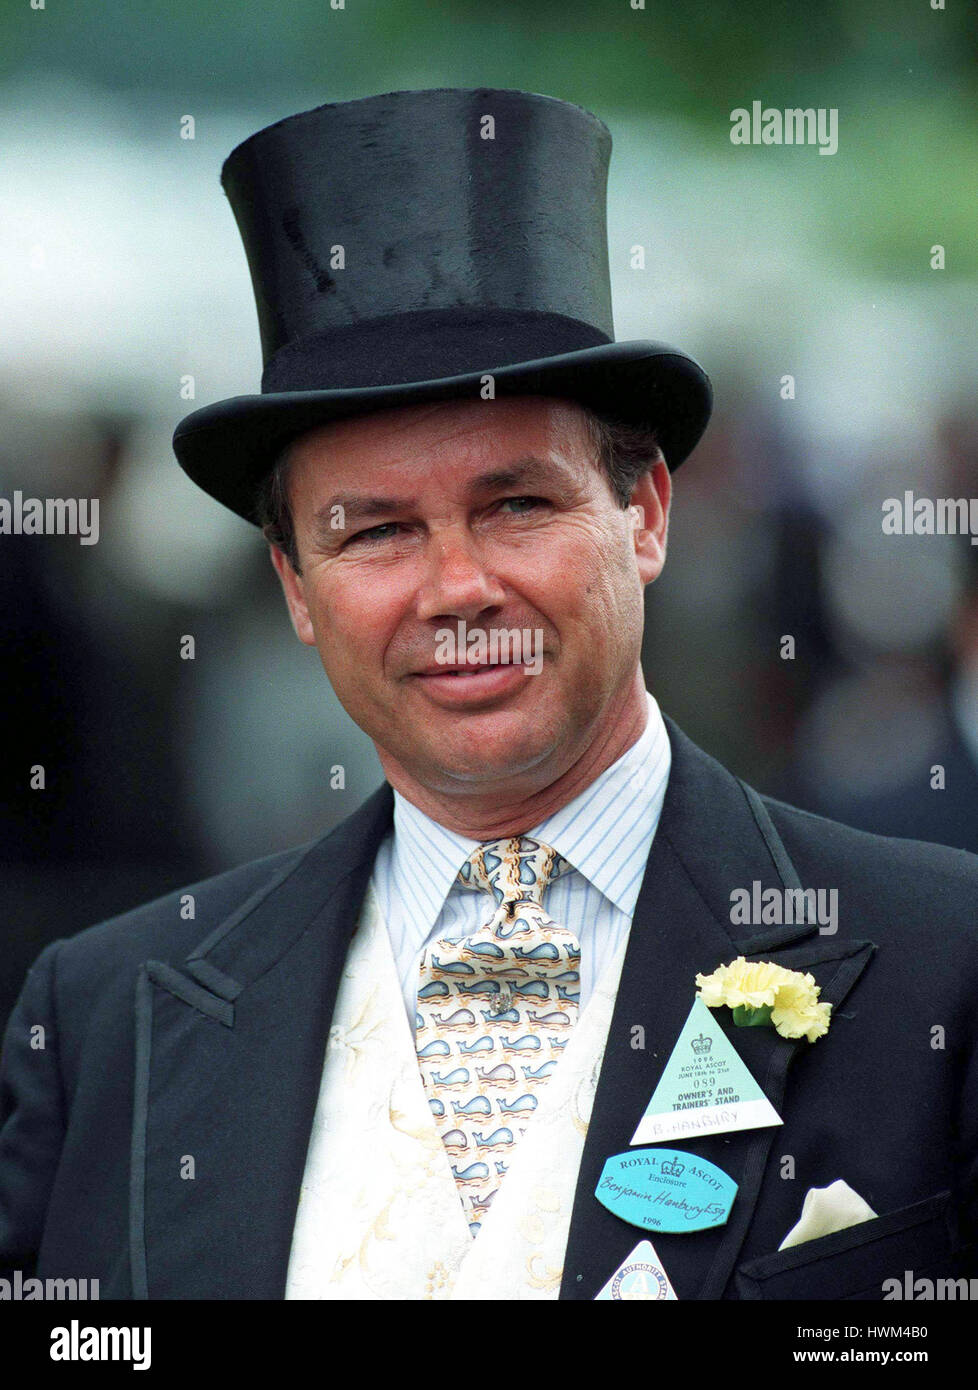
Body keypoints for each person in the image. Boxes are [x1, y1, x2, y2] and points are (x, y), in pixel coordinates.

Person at [1, 88, 976, 1302]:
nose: (457, 587)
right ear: (296, 589)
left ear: (646, 514)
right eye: (376, 534)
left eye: (517, 504)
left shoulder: (949, 960)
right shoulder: (104, 1024)